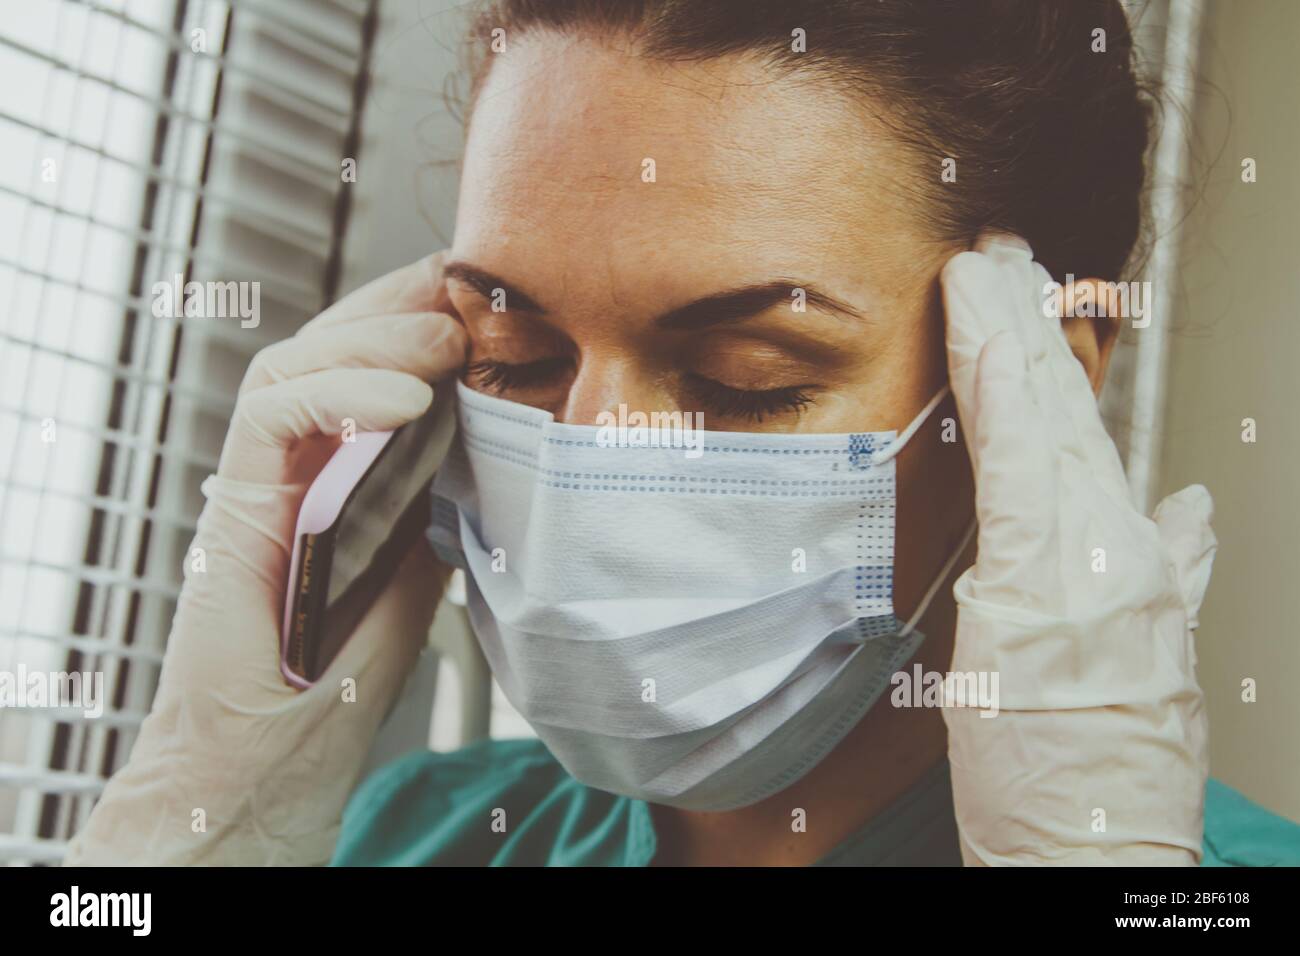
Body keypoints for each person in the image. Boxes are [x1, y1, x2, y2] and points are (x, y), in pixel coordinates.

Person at [64, 0, 1300, 867]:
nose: (594, 463)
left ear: (1041, 393)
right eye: (518, 356)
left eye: (742, 376)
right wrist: (180, 823)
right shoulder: (403, 837)